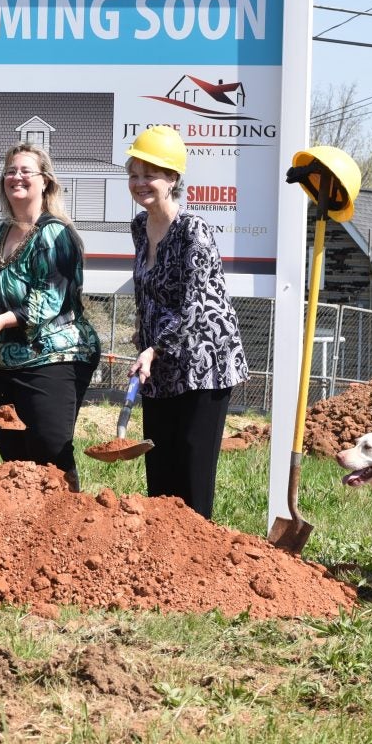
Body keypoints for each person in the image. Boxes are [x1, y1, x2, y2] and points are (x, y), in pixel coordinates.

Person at [0, 144, 101, 490]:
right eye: (10, 171)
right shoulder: (3, 232)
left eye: (25, 171)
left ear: (45, 182)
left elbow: (49, 301)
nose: (16, 177)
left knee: (49, 452)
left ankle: (69, 526)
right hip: (5, 361)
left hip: (53, 356)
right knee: (15, 460)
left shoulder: (56, 234)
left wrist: (2, 320)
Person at [125, 126, 249, 519]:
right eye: (134, 174)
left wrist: (154, 346)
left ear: (173, 179)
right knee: (160, 477)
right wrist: (143, 339)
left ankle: (200, 566)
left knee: (191, 476)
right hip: (159, 369)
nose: (141, 182)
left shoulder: (193, 230)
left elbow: (194, 305)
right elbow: (149, 295)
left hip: (203, 366)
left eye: (150, 174)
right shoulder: (138, 230)